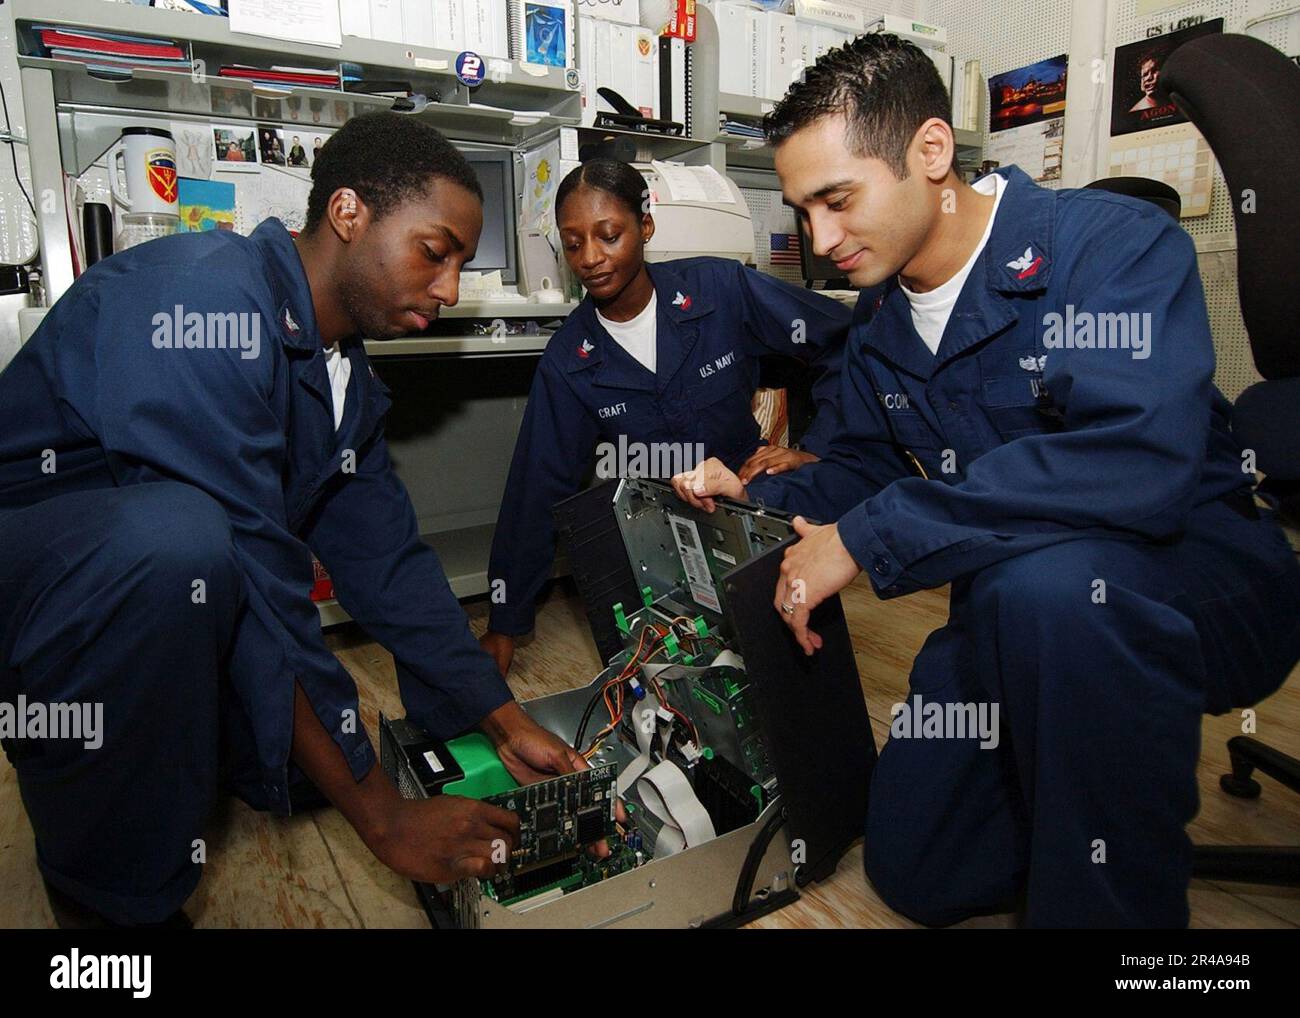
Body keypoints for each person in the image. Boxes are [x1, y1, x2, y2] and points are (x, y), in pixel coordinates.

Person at [671, 34, 1300, 927]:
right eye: (804, 210)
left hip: (1199, 580)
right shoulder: (884, 317)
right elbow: (860, 469)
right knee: (918, 867)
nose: (819, 240)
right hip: (1016, 612)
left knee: (1045, 592)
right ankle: (1073, 793)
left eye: (837, 201)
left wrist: (866, 542)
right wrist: (758, 495)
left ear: (931, 152)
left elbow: (1132, 463)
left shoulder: (1113, 247)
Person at [0, 112, 593, 928]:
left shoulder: (339, 369)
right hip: (36, 585)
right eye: (435, 251)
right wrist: (382, 820)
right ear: (348, 214)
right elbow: (252, 573)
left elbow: (387, 563)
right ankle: (107, 905)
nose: (452, 288)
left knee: (318, 762)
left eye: (460, 260)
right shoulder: (204, 301)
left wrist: (501, 714)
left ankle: (196, 740)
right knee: (182, 546)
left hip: (147, 591)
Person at [479, 158, 863, 677]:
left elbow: (844, 340)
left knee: (791, 667)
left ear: (645, 226)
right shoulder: (570, 358)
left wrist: (822, 444)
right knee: (658, 676)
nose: (590, 258)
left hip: (749, 502)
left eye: (609, 235)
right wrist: (505, 625)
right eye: (573, 244)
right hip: (651, 527)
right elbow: (537, 485)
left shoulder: (720, 289)